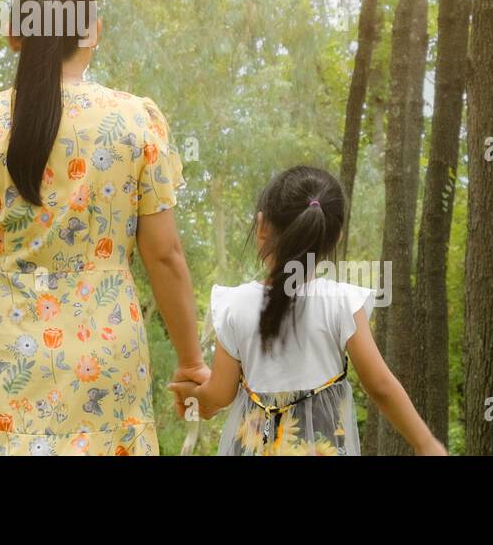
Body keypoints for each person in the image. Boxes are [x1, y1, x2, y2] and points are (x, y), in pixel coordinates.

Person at [0, 0, 207, 455]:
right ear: (93, 32)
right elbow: (164, 255)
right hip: (108, 356)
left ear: (13, 34)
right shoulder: (135, 122)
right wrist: (191, 364)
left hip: (10, 358)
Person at [169, 165, 446, 456]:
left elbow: (219, 395)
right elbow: (380, 385)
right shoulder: (341, 302)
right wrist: (426, 445)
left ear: (262, 228)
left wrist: (191, 393)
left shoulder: (235, 304)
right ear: (335, 237)